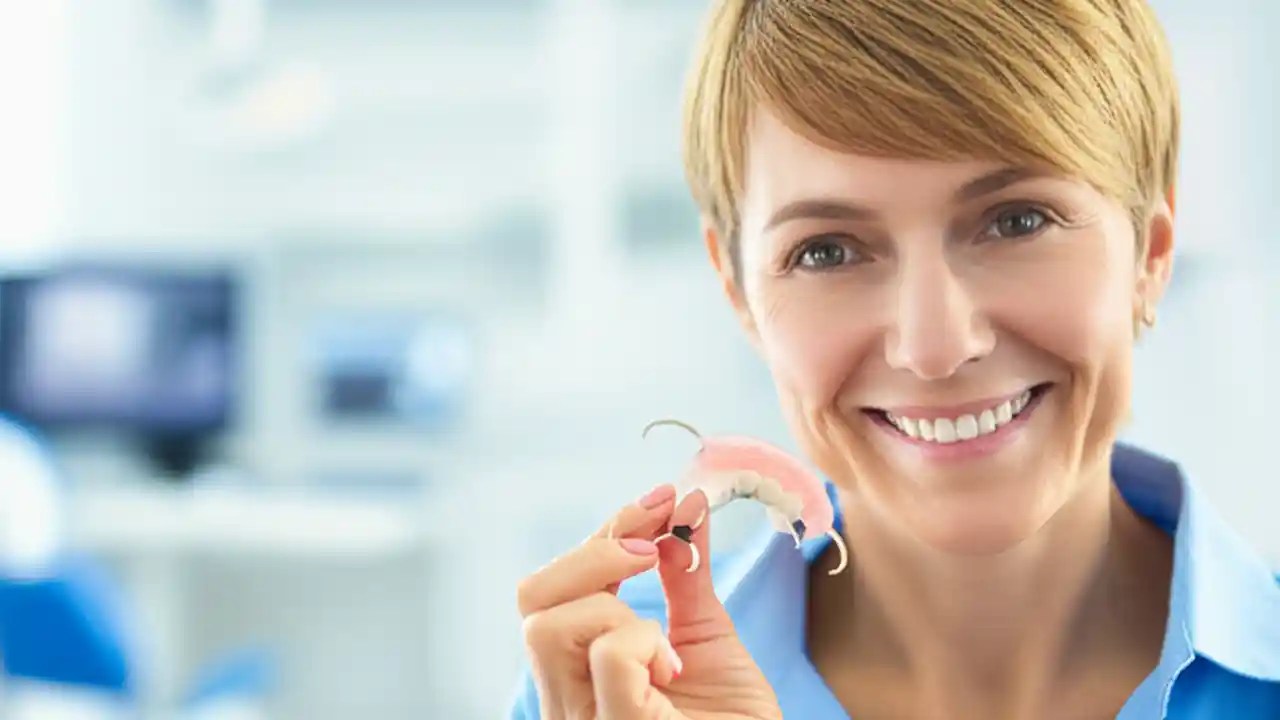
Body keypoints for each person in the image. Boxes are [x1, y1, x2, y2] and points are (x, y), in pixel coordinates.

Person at [509, 1, 1280, 718]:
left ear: (1151, 249)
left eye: (1016, 221)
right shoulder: (608, 692)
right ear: (738, 290)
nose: (935, 346)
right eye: (827, 251)